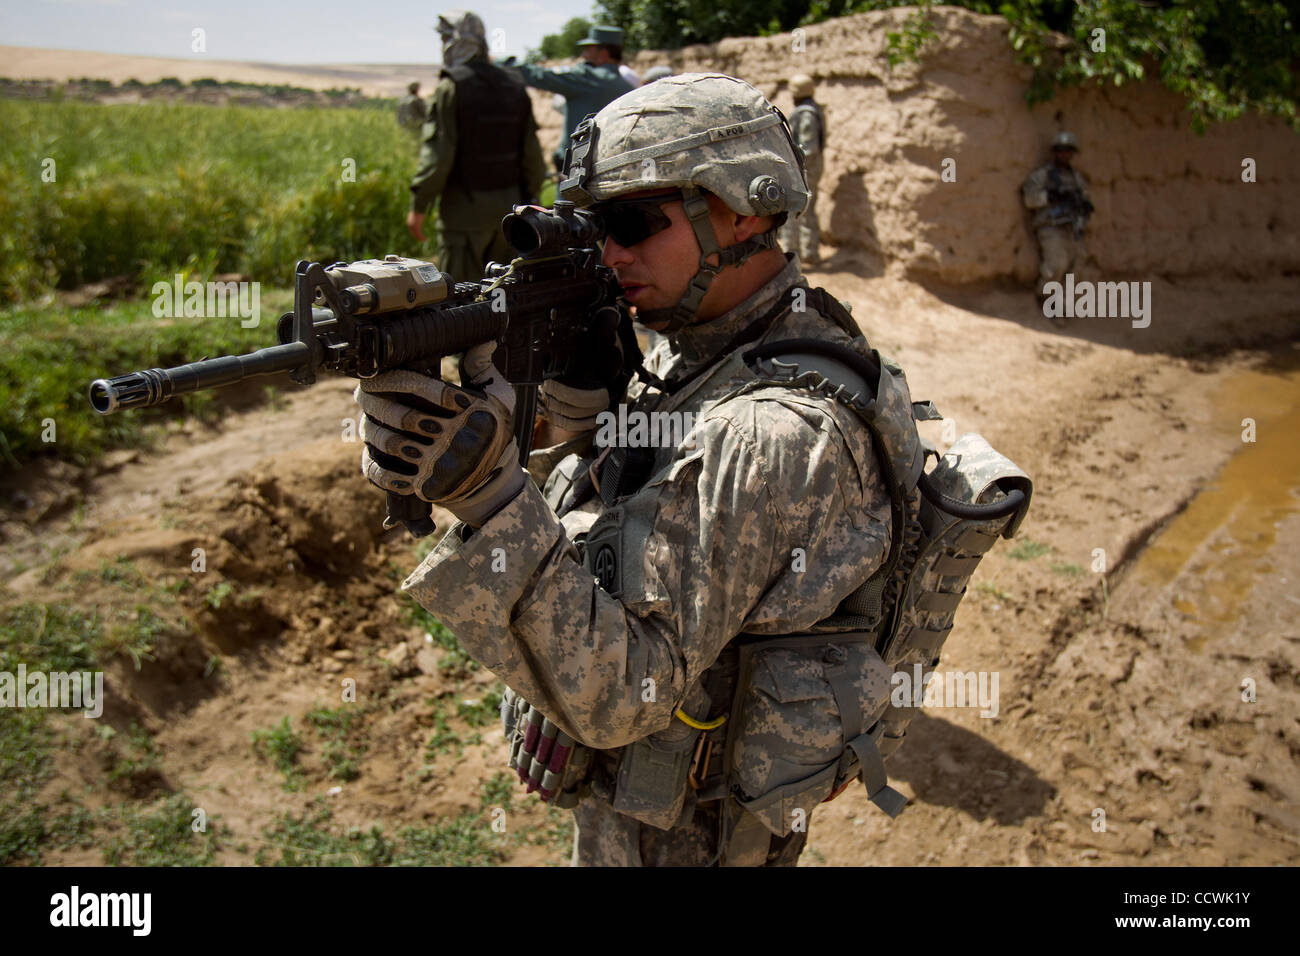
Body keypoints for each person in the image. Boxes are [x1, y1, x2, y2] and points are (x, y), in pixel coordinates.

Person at [356, 73, 917, 866]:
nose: (610, 253)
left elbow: (630, 691)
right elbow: (639, 513)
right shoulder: (744, 339)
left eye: (632, 222)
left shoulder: (769, 430)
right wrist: (577, 425)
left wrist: (487, 498)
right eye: (595, 228)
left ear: (744, 209)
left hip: (684, 835)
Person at [407, 11, 547, 280]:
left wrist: (419, 205)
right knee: (504, 295)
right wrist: (532, 200)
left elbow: (439, 156)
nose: (443, 45)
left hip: (464, 217)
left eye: (446, 38)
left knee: (458, 305)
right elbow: (532, 156)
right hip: (511, 213)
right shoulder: (514, 85)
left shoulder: (451, 87)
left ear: (459, 40)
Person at [503, 24, 634, 171]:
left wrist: (506, 64)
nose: (583, 55)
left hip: (577, 168)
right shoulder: (628, 88)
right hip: (611, 166)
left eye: (588, 50)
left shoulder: (587, 79)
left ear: (603, 53)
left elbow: (541, 77)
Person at [1022, 131, 1094, 322]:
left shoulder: (1076, 178)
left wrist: (1084, 206)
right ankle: (1046, 299)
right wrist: (1050, 197)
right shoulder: (1043, 176)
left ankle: (1063, 303)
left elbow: (1084, 198)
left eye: (1068, 151)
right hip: (1050, 226)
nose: (1064, 154)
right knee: (1057, 263)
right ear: (1055, 152)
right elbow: (1029, 199)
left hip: (1072, 227)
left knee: (1078, 263)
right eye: (1061, 151)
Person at [778, 73, 826, 266]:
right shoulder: (812, 110)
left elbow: (808, 148)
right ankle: (807, 252)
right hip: (807, 169)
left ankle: (794, 254)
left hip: (804, 170)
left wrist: (792, 164)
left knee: (794, 210)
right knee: (805, 210)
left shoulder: (806, 114)